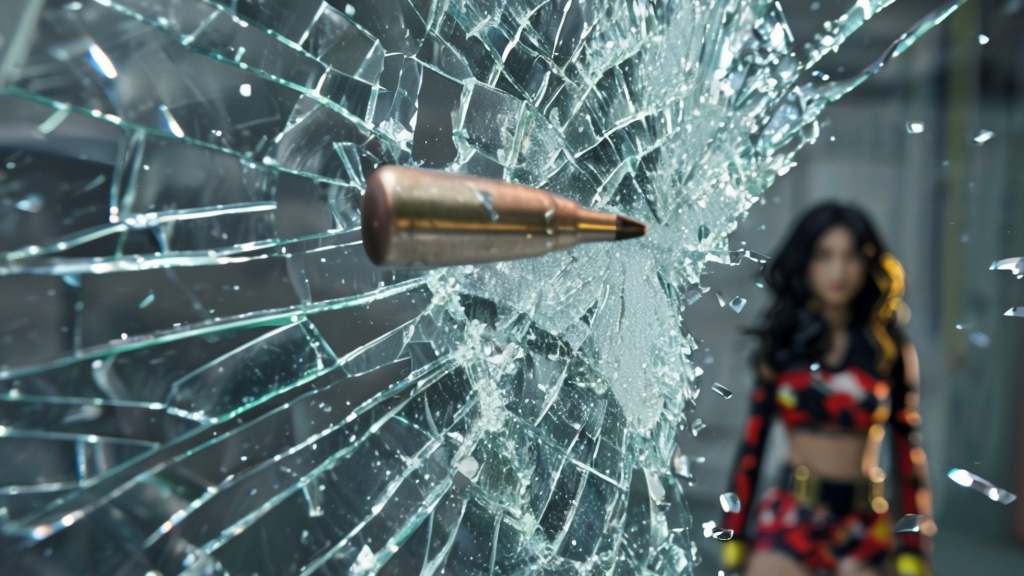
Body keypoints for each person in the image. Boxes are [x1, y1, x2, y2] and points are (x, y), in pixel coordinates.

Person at [720, 204, 934, 576]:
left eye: (851, 256)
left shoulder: (889, 348)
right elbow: (753, 440)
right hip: (790, 518)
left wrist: (914, 545)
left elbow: (907, 448)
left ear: (868, 263)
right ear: (805, 262)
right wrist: (734, 530)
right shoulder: (783, 343)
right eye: (824, 255)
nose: (838, 271)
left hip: (864, 523)